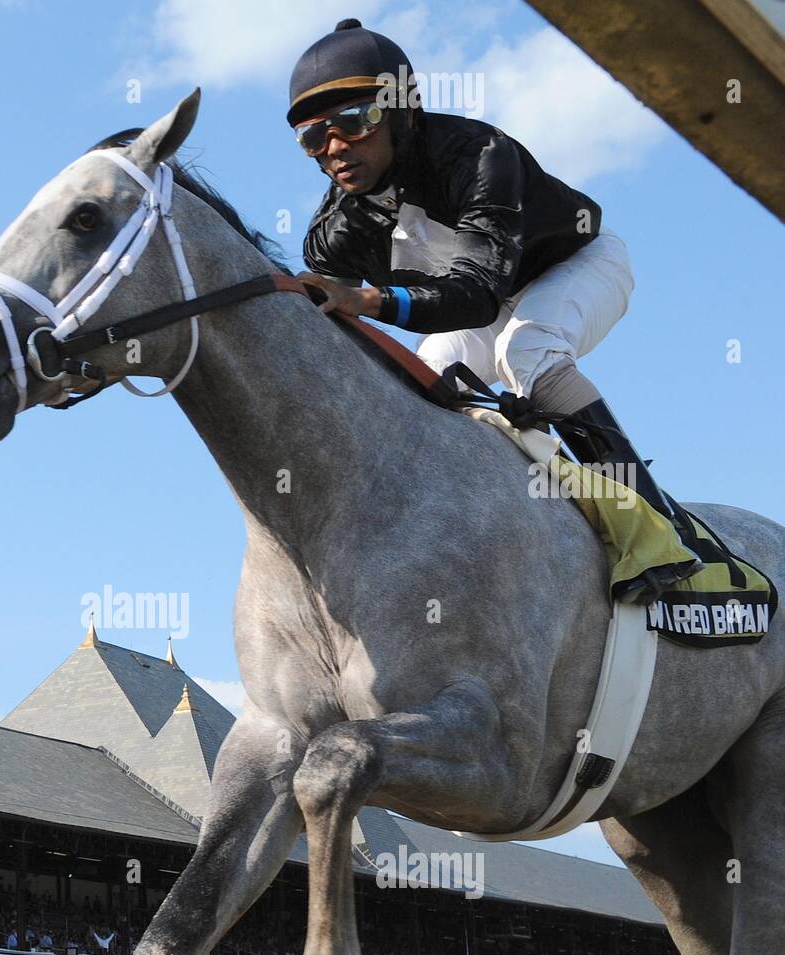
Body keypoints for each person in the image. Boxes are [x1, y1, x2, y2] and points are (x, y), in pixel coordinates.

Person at [289, 18, 700, 603]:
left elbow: (480, 295)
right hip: (480, 305)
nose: (334, 149)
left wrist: (375, 299)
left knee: (526, 348)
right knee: (424, 382)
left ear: (405, 112)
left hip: (574, 266)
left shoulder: (480, 155)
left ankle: (658, 530)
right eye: (312, 136)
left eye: (355, 122)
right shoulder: (334, 233)